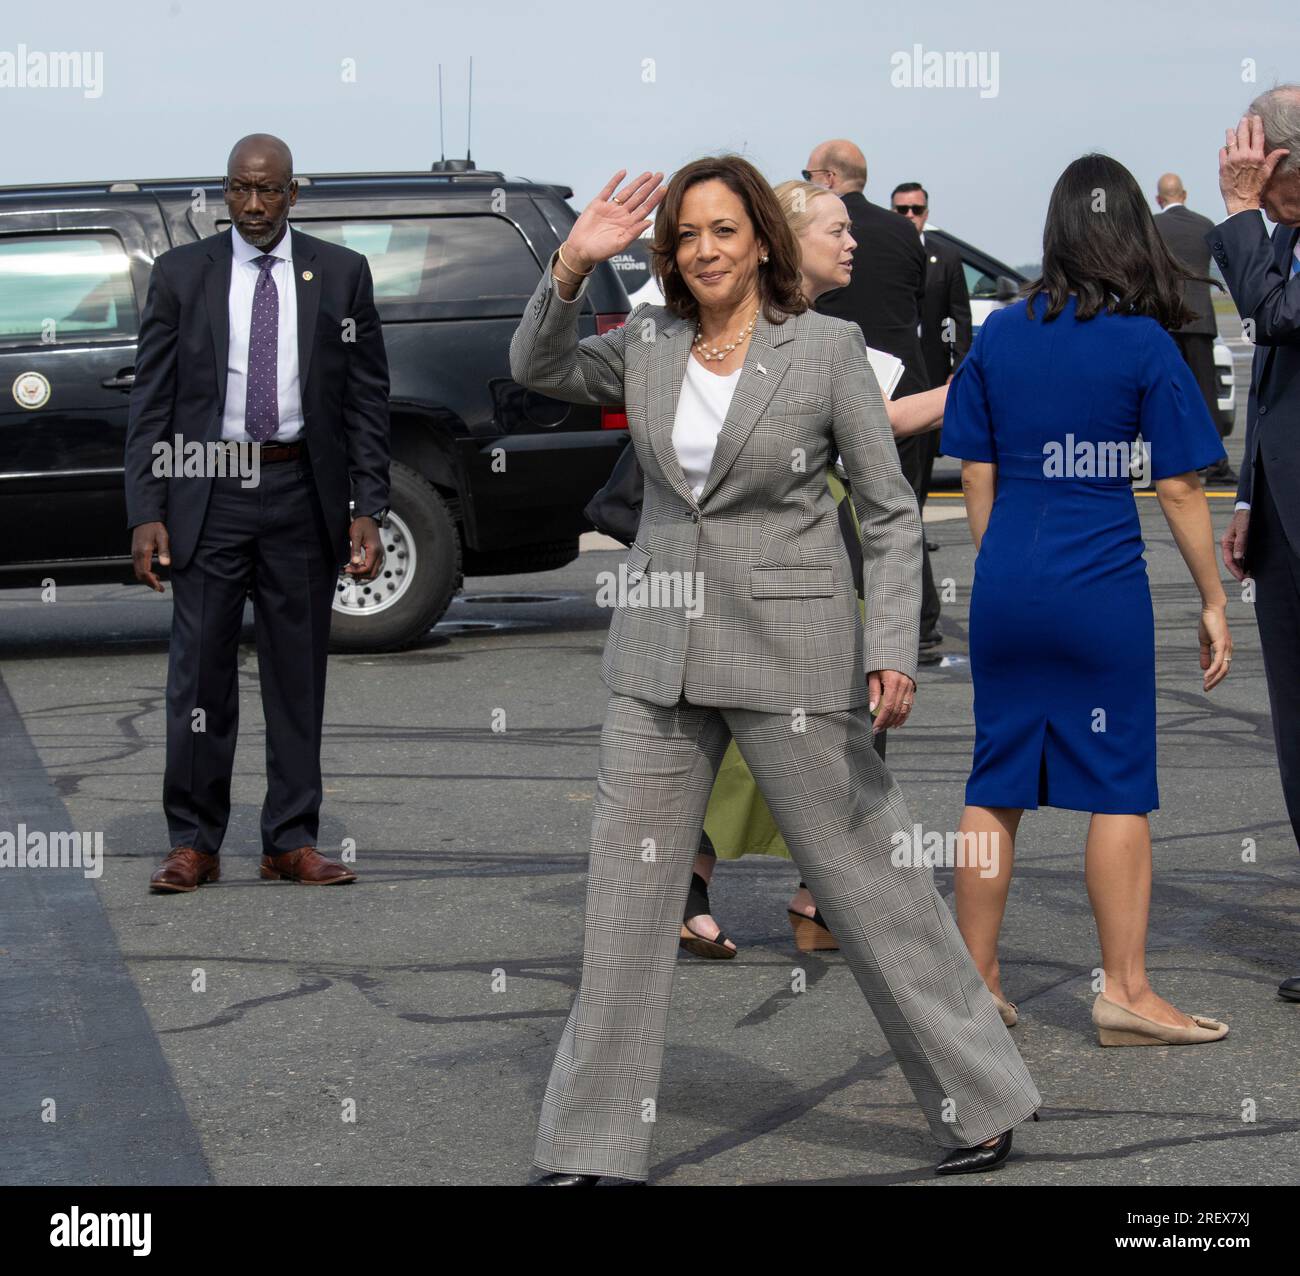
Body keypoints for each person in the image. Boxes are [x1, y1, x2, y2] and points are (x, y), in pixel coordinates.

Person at [512, 156, 1040, 1183]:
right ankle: (588, 1144)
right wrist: (573, 264)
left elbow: (888, 513)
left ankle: (979, 1101)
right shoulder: (649, 344)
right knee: (624, 905)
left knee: (872, 887)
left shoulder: (828, 349)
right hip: (658, 655)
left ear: (759, 239)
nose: (705, 249)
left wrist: (890, 641)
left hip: (795, 651)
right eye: (686, 235)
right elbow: (536, 364)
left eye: (723, 230)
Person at [943, 153, 1233, 1046]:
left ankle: (975, 985)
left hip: (1008, 586)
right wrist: (1215, 599)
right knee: (1116, 788)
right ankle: (1126, 993)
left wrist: (1003, 571)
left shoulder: (1000, 335)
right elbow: (1181, 488)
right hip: (1098, 588)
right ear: (1129, 232)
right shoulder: (1143, 342)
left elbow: (976, 473)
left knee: (997, 783)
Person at [679, 178, 948, 958]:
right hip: (786, 553)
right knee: (791, 713)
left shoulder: (828, 336)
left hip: (815, 545)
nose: (853, 239)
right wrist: (961, 393)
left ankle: (792, 891)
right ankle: (814, 896)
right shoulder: (769, 334)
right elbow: (868, 429)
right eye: (837, 228)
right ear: (789, 239)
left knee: (806, 710)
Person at [124, 133, 391, 892]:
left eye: (267, 190)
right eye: (239, 189)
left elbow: (366, 397)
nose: (252, 204)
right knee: (199, 678)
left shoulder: (341, 274)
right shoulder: (182, 276)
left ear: (292, 193)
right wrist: (147, 509)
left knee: (297, 677)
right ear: (224, 192)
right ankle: (195, 842)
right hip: (208, 489)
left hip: (302, 491)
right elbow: (153, 400)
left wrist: (366, 503)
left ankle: (289, 840)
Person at [1212, 96, 1300, 1004]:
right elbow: (1273, 380)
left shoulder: (1265, 234)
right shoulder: (1281, 236)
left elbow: (1272, 318)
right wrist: (1247, 496)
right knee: (1295, 743)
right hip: (1281, 526)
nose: (1240, 180)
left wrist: (1240, 214)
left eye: (1249, 164)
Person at [805, 141, 939, 656]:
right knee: (899, 503)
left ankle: (853, 617)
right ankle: (919, 622)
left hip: (845, 377)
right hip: (908, 383)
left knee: (838, 505)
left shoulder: (825, 239)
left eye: (810, 174)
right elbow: (918, 297)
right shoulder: (905, 231)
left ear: (831, 177)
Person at [893, 180, 974, 647]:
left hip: (934, 382)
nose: (909, 216)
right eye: (901, 209)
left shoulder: (945, 257)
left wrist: (957, 371)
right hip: (899, 383)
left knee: (919, 483)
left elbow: (958, 318)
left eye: (916, 209)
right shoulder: (878, 252)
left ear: (927, 211)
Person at [1153, 171, 1236, 484]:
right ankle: (1217, 464)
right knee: (1206, 391)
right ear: (1184, 195)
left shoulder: (1152, 226)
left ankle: (1165, 462)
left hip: (1166, 319)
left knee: (1164, 392)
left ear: (1160, 199)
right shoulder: (1205, 225)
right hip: (1200, 319)